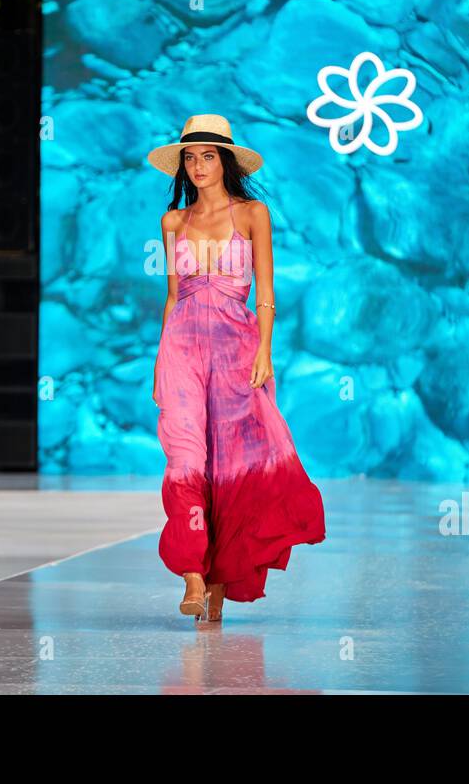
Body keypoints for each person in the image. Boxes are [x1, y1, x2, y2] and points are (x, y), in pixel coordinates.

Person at [150, 114, 326, 623]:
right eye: (190, 156)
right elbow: (172, 297)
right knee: (185, 456)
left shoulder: (253, 214)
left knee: (231, 463)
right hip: (181, 347)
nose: (198, 165)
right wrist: (160, 359)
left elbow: (267, 294)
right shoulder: (172, 223)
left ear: (224, 160)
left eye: (208, 155)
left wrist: (265, 351)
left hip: (236, 346)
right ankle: (191, 574)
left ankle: (219, 586)